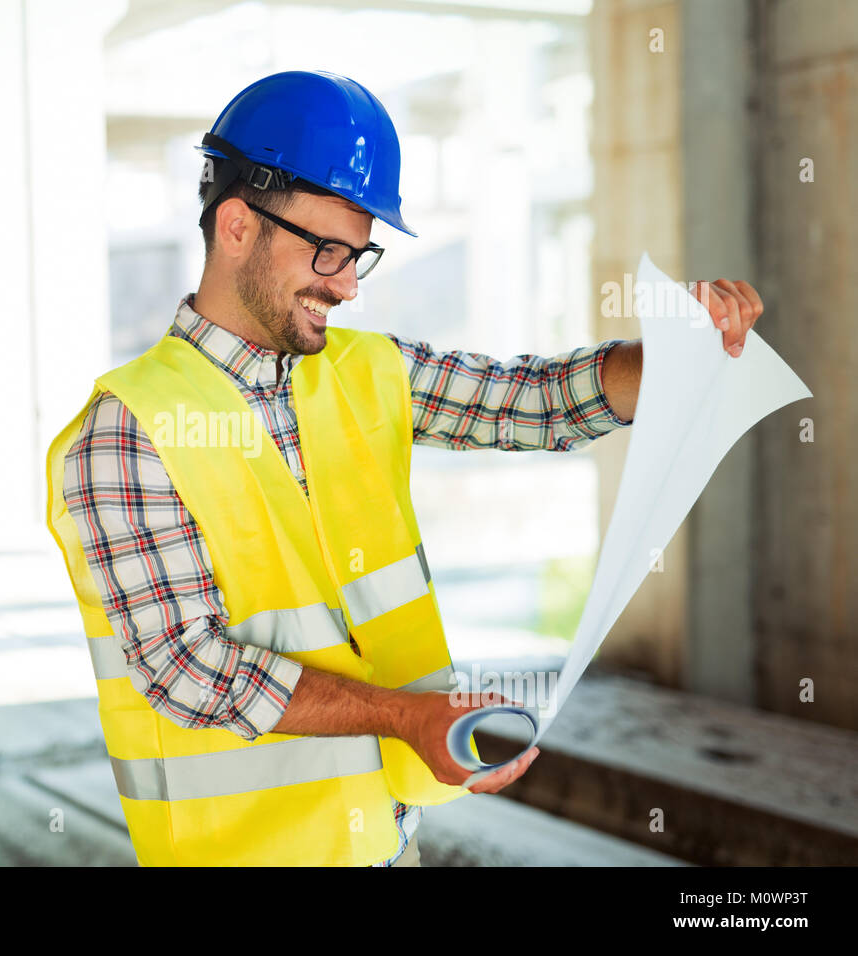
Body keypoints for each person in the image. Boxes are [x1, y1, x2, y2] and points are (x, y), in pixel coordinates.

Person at [45, 70, 764, 867]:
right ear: (239, 225)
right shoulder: (128, 431)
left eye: (361, 255)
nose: (348, 285)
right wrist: (404, 717)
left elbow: (531, 402)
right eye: (327, 250)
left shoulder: (365, 371)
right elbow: (186, 667)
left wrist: (673, 349)